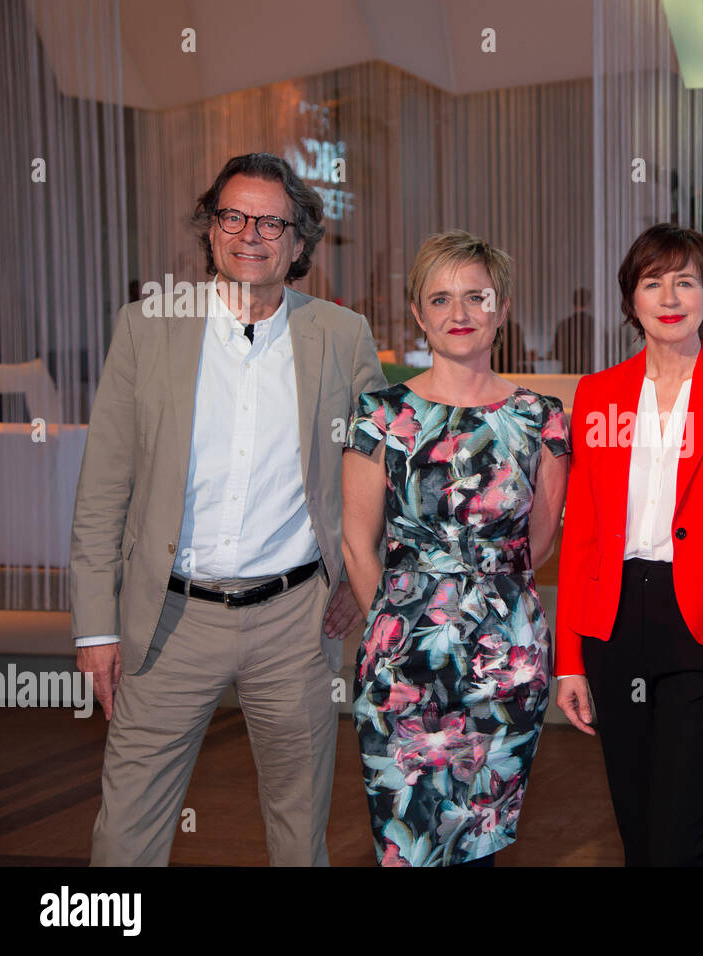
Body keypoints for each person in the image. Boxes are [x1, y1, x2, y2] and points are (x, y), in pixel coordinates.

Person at [72, 152, 387, 866]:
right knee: (125, 837)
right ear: (211, 230)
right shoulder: (146, 328)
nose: (251, 234)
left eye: (272, 221)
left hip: (294, 620)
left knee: (299, 833)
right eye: (233, 216)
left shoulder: (342, 337)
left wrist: (360, 578)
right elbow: (101, 491)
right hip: (167, 622)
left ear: (300, 241)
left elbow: (382, 474)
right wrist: (95, 628)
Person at [555, 222, 703, 866]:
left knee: (680, 820)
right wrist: (569, 659)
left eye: (686, 281)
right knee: (634, 815)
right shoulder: (598, 395)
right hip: (614, 622)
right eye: (652, 282)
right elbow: (582, 535)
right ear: (632, 300)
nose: (670, 296)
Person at [341, 229, 570, 867]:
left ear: (501, 308)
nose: (459, 314)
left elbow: (539, 542)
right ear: (418, 313)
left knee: (479, 844)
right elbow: (358, 548)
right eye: (440, 299)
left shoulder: (540, 417)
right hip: (401, 663)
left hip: (507, 659)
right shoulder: (379, 415)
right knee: (406, 846)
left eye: (476, 297)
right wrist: (394, 626)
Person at [553, 287, 594, 372]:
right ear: (589, 303)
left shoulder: (563, 325)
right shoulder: (596, 327)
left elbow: (557, 353)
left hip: (568, 373)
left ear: (573, 302)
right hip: (590, 372)